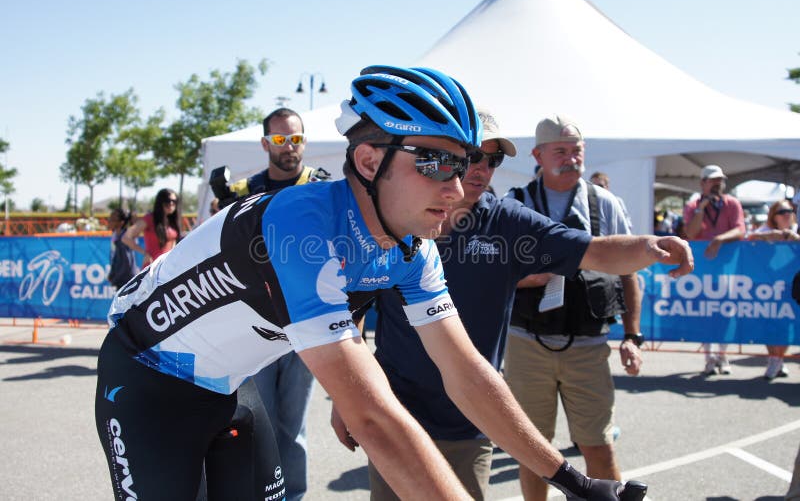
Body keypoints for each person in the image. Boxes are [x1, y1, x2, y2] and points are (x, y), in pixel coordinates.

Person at [95, 65, 692, 501]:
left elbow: (469, 375)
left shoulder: (412, 244)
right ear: (369, 161)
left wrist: (571, 479)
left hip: (228, 383)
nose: (457, 187)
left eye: (462, 164)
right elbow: (375, 417)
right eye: (434, 162)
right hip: (147, 381)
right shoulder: (301, 224)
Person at [354, 108, 677, 501]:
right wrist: (349, 398)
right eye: (473, 155)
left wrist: (651, 247)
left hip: (470, 420)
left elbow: (594, 251)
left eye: (494, 159)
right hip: (396, 413)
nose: (482, 168)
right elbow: (354, 308)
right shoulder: (398, 215)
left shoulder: (507, 221)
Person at [504, 115, 644, 501]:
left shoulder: (606, 204)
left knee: (597, 445)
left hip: (587, 345)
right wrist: (530, 277)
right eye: (560, 151)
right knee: (534, 449)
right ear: (538, 155)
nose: (571, 159)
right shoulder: (515, 204)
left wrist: (633, 336)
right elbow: (492, 272)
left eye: (576, 150)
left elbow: (630, 273)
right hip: (527, 342)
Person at [246, 107, 330, 501]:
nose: (288, 147)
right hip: (255, 327)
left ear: (304, 141)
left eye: (295, 139)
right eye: (280, 139)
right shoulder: (243, 193)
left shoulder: (320, 188)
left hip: (305, 325)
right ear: (265, 143)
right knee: (256, 424)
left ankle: (292, 496)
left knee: (292, 428)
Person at [682, 164, 746, 375]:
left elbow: (740, 229)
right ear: (703, 184)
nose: (718, 184)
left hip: (727, 270)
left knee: (725, 313)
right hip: (702, 272)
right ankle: (709, 357)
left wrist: (720, 239)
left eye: (720, 180)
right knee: (705, 313)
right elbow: (691, 233)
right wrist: (703, 207)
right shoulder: (692, 206)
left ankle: (722, 354)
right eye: (713, 180)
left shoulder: (732, 203)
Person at [747, 199, 799, 379]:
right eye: (782, 211)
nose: (787, 215)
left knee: (787, 325)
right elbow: (749, 239)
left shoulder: (796, 231)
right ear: (773, 216)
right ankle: (774, 359)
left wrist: (796, 240)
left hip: (792, 287)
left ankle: (779, 359)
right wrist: (768, 237)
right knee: (769, 323)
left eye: (790, 211)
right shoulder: (765, 231)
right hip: (768, 286)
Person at [122, 188, 183, 267]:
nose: (171, 204)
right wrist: (144, 253)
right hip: (153, 267)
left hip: (169, 267)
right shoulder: (150, 219)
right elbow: (126, 238)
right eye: (168, 201)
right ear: (161, 202)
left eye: (174, 201)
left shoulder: (173, 221)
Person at [106, 208, 139, 289]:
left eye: (112, 219)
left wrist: (116, 278)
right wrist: (112, 274)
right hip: (122, 280)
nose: (109, 221)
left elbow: (126, 263)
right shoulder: (117, 236)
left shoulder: (124, 239)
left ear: (121, 223)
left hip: (126, 281)